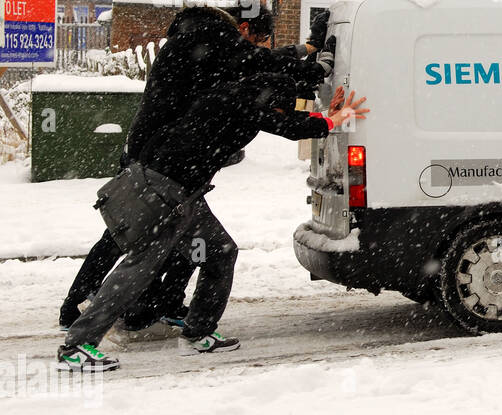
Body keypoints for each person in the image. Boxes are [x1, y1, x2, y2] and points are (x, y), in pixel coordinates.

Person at [57, 75, 368, 371]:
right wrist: (331, 120)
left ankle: (198, 331)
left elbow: (284, 118)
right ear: (271, 99)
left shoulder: (229, 96)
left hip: (178, 192)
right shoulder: (246, 105)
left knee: (218, 251)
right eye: (281, 104)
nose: (280, 109)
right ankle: (77, 345)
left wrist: (326, 115)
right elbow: (285, 124)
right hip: (165, 195)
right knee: (139, 267)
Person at [57, 2, 331, 330]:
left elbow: (254, 68)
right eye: (256, 38)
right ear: (243, 29)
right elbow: (257, 64)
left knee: (166, 235)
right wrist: (317, 65)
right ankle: (99, 312)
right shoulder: (211, 38)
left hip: (159, 153)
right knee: (142, 237)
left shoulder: (199, 37)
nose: (255, 46)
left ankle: (146, 304)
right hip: (159, 160)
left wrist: (308, 51)